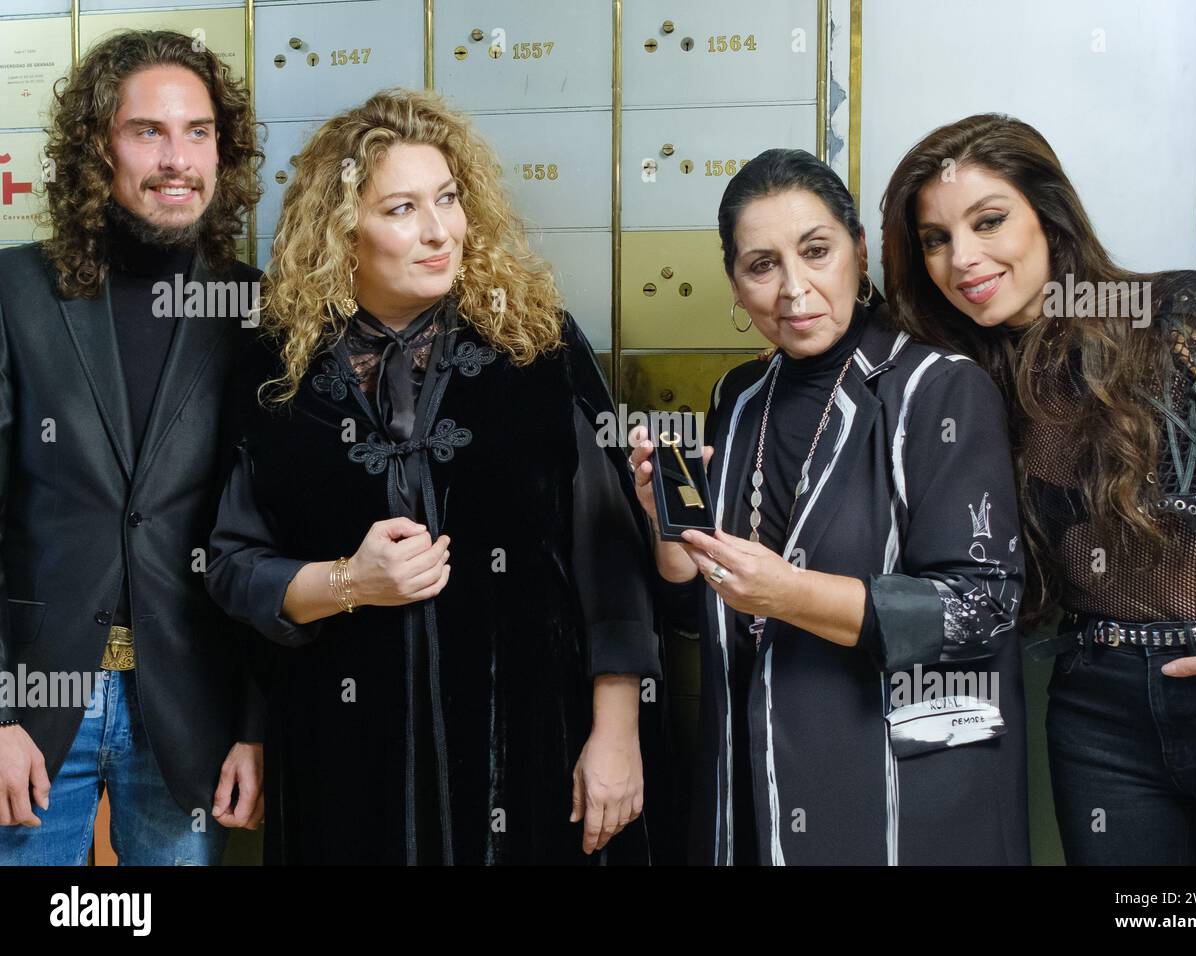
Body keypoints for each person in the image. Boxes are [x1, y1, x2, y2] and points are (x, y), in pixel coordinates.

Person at [206, 88, 663, 865]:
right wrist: (349, 581)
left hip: (530, 742)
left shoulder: (536, 344)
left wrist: (616, 729)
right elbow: (232, 564)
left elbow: (610, 550)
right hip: (342, 752)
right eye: (402, 209)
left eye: (448, 199)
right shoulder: (272, 370)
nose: (438, 231)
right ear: (343, 228)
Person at [880, 112, 1196, 865]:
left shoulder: (1177, 318)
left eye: (989, 221)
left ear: (1050, 216)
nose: (962, 258)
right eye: (936, 239)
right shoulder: (962, 386)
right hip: (1099, 718)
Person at [630, 148, 1029, 865]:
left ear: (859, 251)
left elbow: (983, 607)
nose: (794, 289)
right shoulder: (737, 398)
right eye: (762, 266)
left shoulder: (939, 388)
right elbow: (706, 615)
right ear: (735, 282)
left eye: (816, 252)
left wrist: (791, 594)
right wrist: (670, 531)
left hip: (896, 783)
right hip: (752, 766)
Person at [0, 30, 266, 864]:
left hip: (193, 711)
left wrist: (258, 727)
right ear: (97, 149)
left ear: (224, 151)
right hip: (35, 711)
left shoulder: (257, 310)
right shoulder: (14, 291)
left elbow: (275, 530)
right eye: (146, 131)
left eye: (197, 132)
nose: (176, 158)